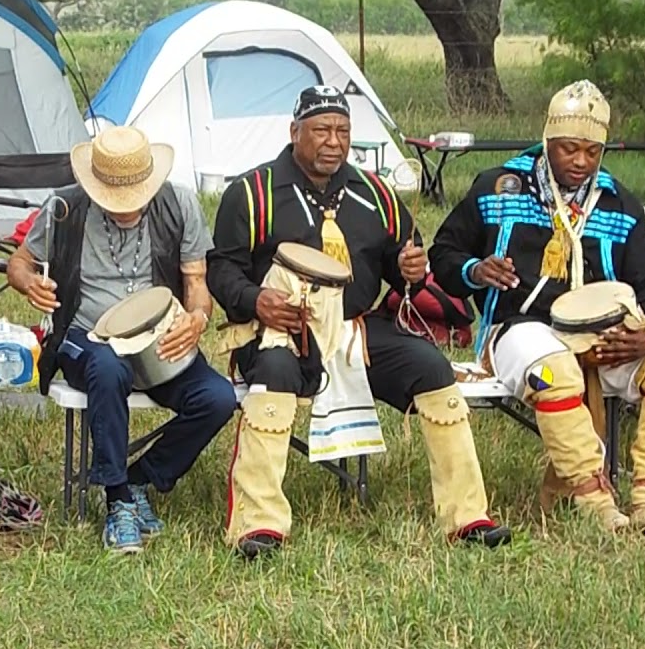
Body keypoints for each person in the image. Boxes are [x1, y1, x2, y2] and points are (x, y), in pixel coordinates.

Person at [206, 85, 511, 559]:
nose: (334, 141)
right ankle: (258, 524)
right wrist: (255, 299)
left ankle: (466, 516)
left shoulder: (375, 193)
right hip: (282, 328)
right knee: (275, 376)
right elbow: (221, 269)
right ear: (295, 132)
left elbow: (402, 260)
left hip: (357, 328)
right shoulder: (252, 192)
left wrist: (409, 272)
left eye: (343, 131)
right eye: (321, 130)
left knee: (432, 368)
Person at [428, 80, 645, 542]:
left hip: (603, 335)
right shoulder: (497, 187)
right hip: (520, 329)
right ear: (547, 140)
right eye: (569, 148)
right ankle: (593, 499)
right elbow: (444, 253)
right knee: (555, 371)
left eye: (592, 152)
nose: (580, 161)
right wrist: (476, 269)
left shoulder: (619, 203)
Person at [5, 126, 237, 554]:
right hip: (83, 333)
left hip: (156, 334)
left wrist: (198, 317)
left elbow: (197, 281)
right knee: (108, 366)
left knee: (218, 397)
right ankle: (116, 500)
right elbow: (21, 260)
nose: (126, 209)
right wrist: (27, 284)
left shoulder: (178, 202)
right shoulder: (64, 207)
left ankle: (138, 480)